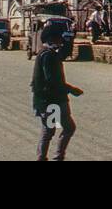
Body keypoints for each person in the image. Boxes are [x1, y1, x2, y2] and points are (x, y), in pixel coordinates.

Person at [31, 20, 82, 160]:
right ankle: (56, 157)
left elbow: (63, 54)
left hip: (47, 99)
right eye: (59, 37)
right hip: (52, 100)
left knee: (49, 130)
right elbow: (52, 80)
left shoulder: (46, 52)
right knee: (67, 128)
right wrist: (71, 89)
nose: (61, 39)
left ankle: (43, 157)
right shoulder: (48, 55)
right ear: (52, 38)